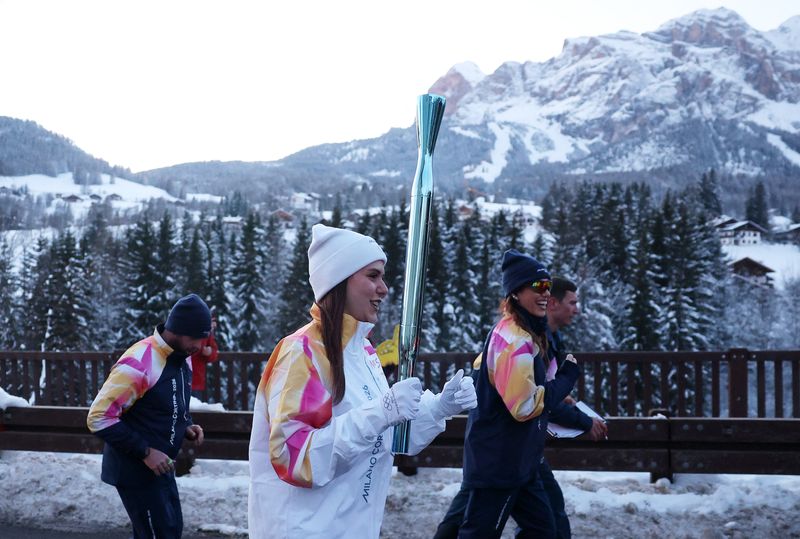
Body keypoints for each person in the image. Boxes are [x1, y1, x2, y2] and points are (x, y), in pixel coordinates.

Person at [247, 224, 478, 539]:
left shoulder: (361, 351)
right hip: (305, 529)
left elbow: (387, 439)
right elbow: (294, 458)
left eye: (382, 276)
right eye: (372, 276)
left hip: (350, 526)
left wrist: (437, 408)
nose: (383, 288)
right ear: (339, 281)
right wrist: (380, 412)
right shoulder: (302, 353)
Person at [434, 275, 607, 539]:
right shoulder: (519, 339)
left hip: (511, 450)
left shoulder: (538, 338)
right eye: (572, 302)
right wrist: (582, 417)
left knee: (533, 522)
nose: (577, 309)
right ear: (553, 304)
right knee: (492, 524)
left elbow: (538, 393)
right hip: (503, 452)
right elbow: (528, 401)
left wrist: (560, 395)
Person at [457, 249, 580, 538]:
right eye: (537, 286)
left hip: (518, 460)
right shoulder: (515, 341)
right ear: (515, 292)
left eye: (547, 286)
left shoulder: (522, 333)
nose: (544, 293)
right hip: (501, 462)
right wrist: (566, 378)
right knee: (479, 533)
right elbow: (525, 406)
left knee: (543, 531)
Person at [87, 293, 210, 539]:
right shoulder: (140, 361)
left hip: (160, 466)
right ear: (178, 329)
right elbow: (98, 417)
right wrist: (145, 452)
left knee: (171, 530)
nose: (199, 345)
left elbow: (163, 402)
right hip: (135, 466)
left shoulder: (182, 357)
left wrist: (184, 425)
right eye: (195, 337)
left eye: (203, 337)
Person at [191, 313, 219, 399]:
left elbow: (214, 352)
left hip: (196, 381)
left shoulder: (206, 333)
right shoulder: (181, 328)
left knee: (195, 410)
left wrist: (209, 352)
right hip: (178, 379)